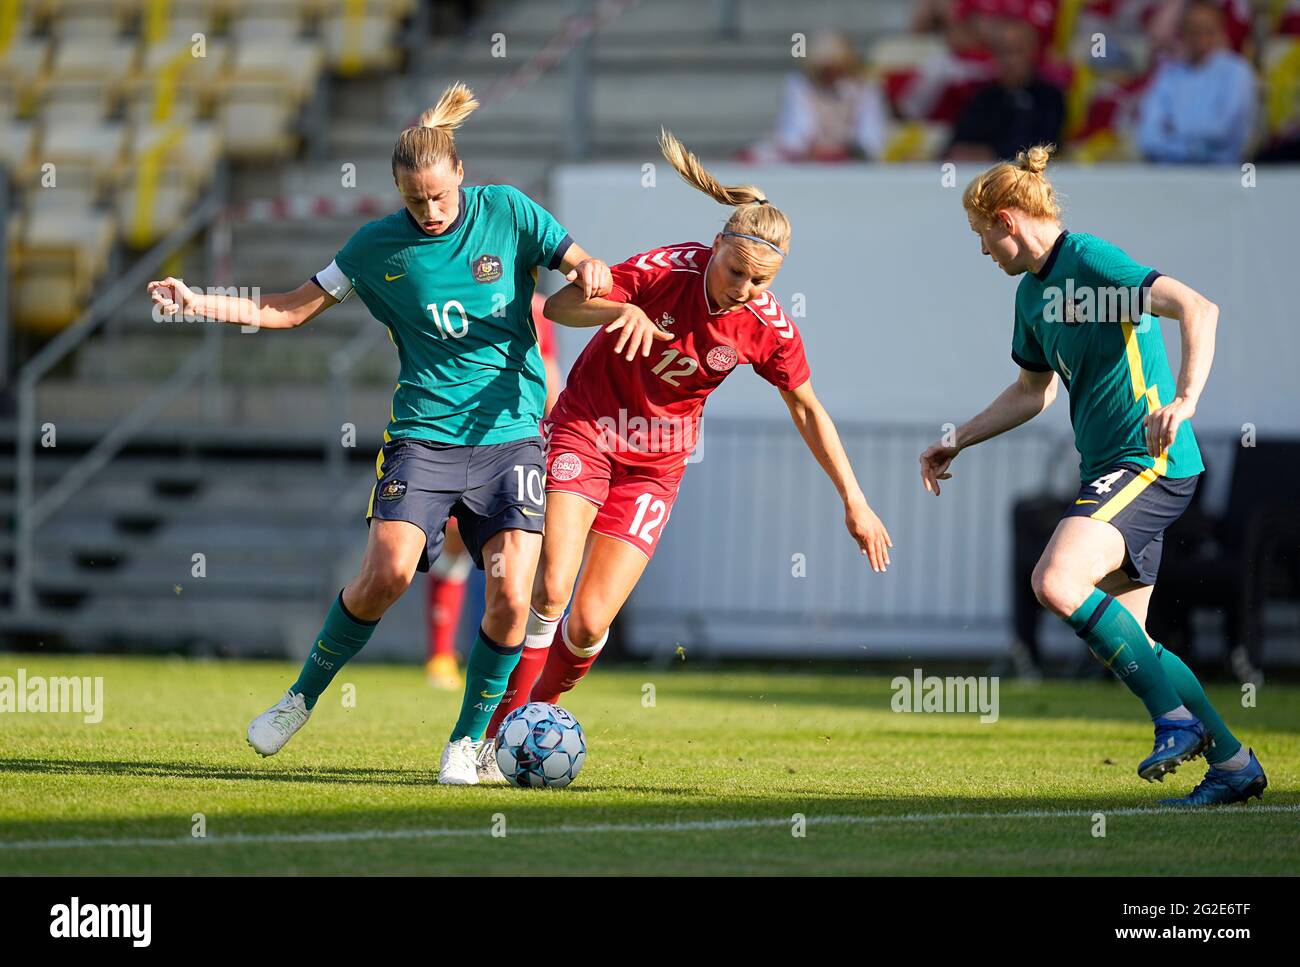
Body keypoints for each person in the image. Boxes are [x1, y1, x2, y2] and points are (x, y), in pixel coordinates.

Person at [147, 83, 614, 785]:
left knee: (514, 596)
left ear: (459, 170)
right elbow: (288, 309)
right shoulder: (376, 247)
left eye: (438, 195)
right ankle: (299, 697)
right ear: (399, 190)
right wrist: (199, 303)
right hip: (423, 437)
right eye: (414, 199)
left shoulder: (508, 212)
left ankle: (466, 744)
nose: (429, 211)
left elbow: (576, 260)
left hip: (510, 436)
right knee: (388, 573)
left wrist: (588, 267)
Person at [481, 130, 894, 747]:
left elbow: (808, 410)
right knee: (550, 585)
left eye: (762, 282)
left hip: (654, 467)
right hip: (587, 429)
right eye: (737, 272)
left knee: (590, 625)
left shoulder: (766, 326)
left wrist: (855, 501)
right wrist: (622, 312)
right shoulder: (663, 270)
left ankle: (530, 720)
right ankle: (494, 733)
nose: (744, 290)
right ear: (717, 245)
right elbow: (561, 308)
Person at [918, 144, 1268, 807]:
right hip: (1110, 470)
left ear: (1008, 218)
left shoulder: (1092, 260)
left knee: (1054, 580)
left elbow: (1200, 308)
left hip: (1150, 463)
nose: (983, 252)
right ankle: (1232, 761)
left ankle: (1175, 721)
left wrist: (1185, 399)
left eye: (981, 235)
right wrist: (957, 439)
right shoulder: (1031, 298)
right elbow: (1032, 392)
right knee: (1135, 643)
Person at [423, 294, 563, 690]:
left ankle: (512, 665)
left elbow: (548, 371)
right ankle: (440, 655)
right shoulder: (462, 296)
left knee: (519, 550)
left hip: (518, 440)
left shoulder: (537, 308)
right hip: (461, 436)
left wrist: (557, 433)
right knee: (454, 539)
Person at [1136, 0, 1257, 164]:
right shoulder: (1168, 73)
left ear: (1219, 31)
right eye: (1192, 30)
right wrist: (1189, 147)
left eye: (1206, 30)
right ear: (1183, 32)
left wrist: (1174, 129)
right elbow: (1148, 135)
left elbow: (1223, 130)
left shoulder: (1237, 72)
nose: (1199, 36)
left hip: (1221, 172)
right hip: (1168, 171)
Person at [947, 16, 1066, 161]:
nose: (1009, 60)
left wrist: (993, 153)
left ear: (1032, 53)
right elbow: (958, 146)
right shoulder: (982, 98)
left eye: (1016, 51)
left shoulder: (1050, 98)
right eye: (1003, 51)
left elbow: (1045, 148)